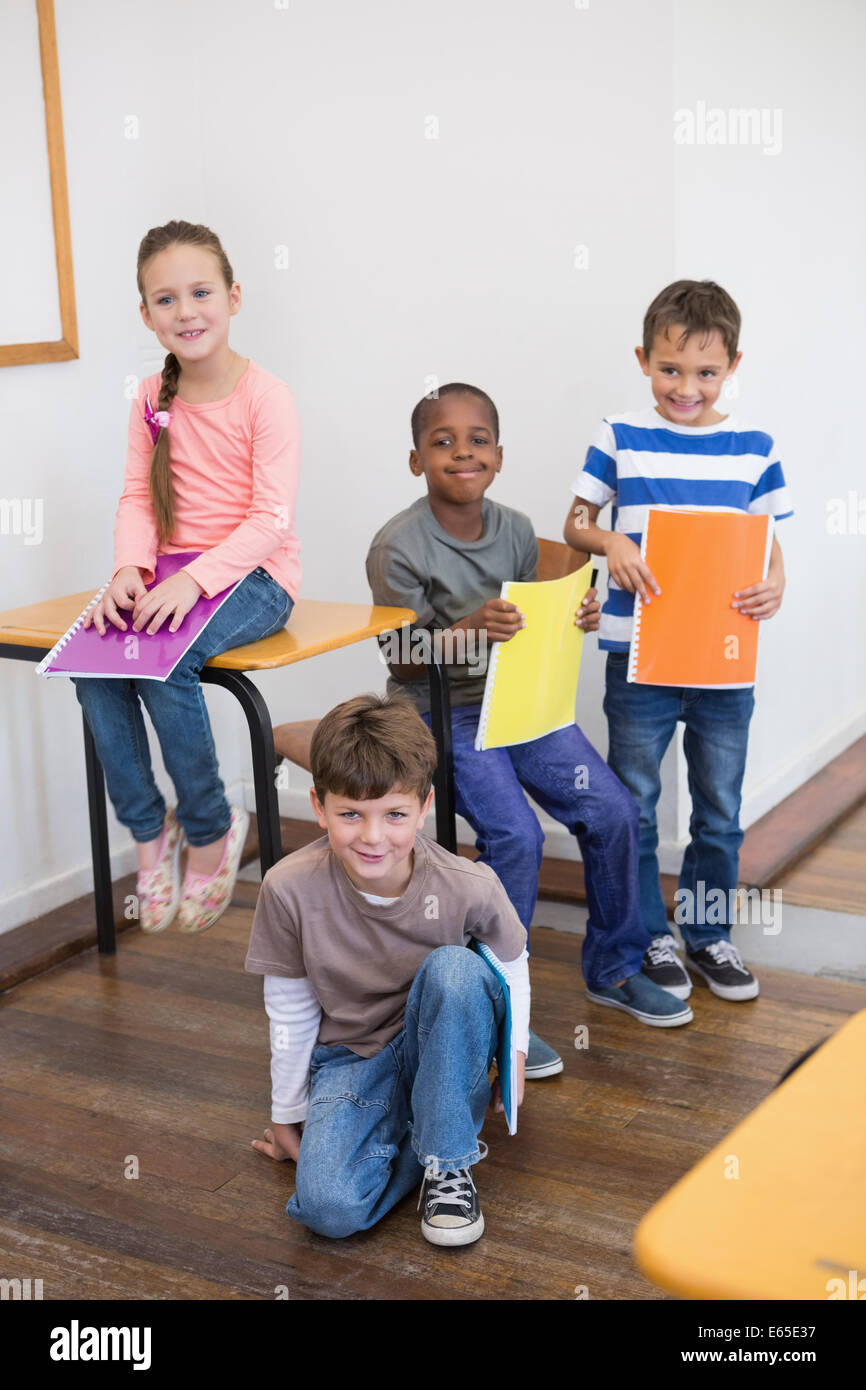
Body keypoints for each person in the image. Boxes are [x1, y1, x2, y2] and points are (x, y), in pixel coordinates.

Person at [365, 383, 693, 1067]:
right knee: (513, 836)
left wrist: (577, 617)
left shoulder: (514, 529)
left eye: (478, 439)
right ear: (415, 459)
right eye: (443, 441)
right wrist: (467, 631)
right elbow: (401, 654)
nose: (463, 452)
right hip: (439, 708)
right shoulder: (397, 545)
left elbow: (532, 628)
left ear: (500, 454)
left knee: (611, 810)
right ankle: (497, 1005)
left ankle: (614, 969)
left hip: (515, 702)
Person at [564, 279, 792, 1001]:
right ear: (643, 358)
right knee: (632, 801)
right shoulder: (619, 435)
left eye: (704, 372)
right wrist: (609, 543)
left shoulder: (754, 448)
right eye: (669, 369)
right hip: (640, 658)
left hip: (726, 661)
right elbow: (575, 521)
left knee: (718, 807)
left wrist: (777, 586)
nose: (684, 387)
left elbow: (767, 543)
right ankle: (646, 933)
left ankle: (707, 931)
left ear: (732, 366)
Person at [73, 219, 301, 935]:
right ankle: (150, 831)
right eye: (165, 300)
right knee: (93, 665)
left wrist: (194, 582)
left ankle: (210, 827)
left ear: (233, 296)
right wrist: (127, 572)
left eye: (201, 292)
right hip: (172, 574)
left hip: (256, 575)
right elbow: (139, 499)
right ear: (147, 315)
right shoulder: (150, 397)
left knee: (165, 665)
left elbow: (269, 519)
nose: (187, 311)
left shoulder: (267, 397)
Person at [247, 694, 529, 1247]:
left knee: (454, 970)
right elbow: (289, 1007)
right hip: (352, 1057)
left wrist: (514, 1054)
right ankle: (428, 1126)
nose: (373, 837)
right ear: (318, 805)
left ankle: (448, 1163)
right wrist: (287, 1113)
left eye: (394, 815)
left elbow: (513, 967)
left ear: (424, 807)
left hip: (440, 1032)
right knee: (326, 1210)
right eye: (350, 813)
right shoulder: (287, 888)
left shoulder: (469, 884)